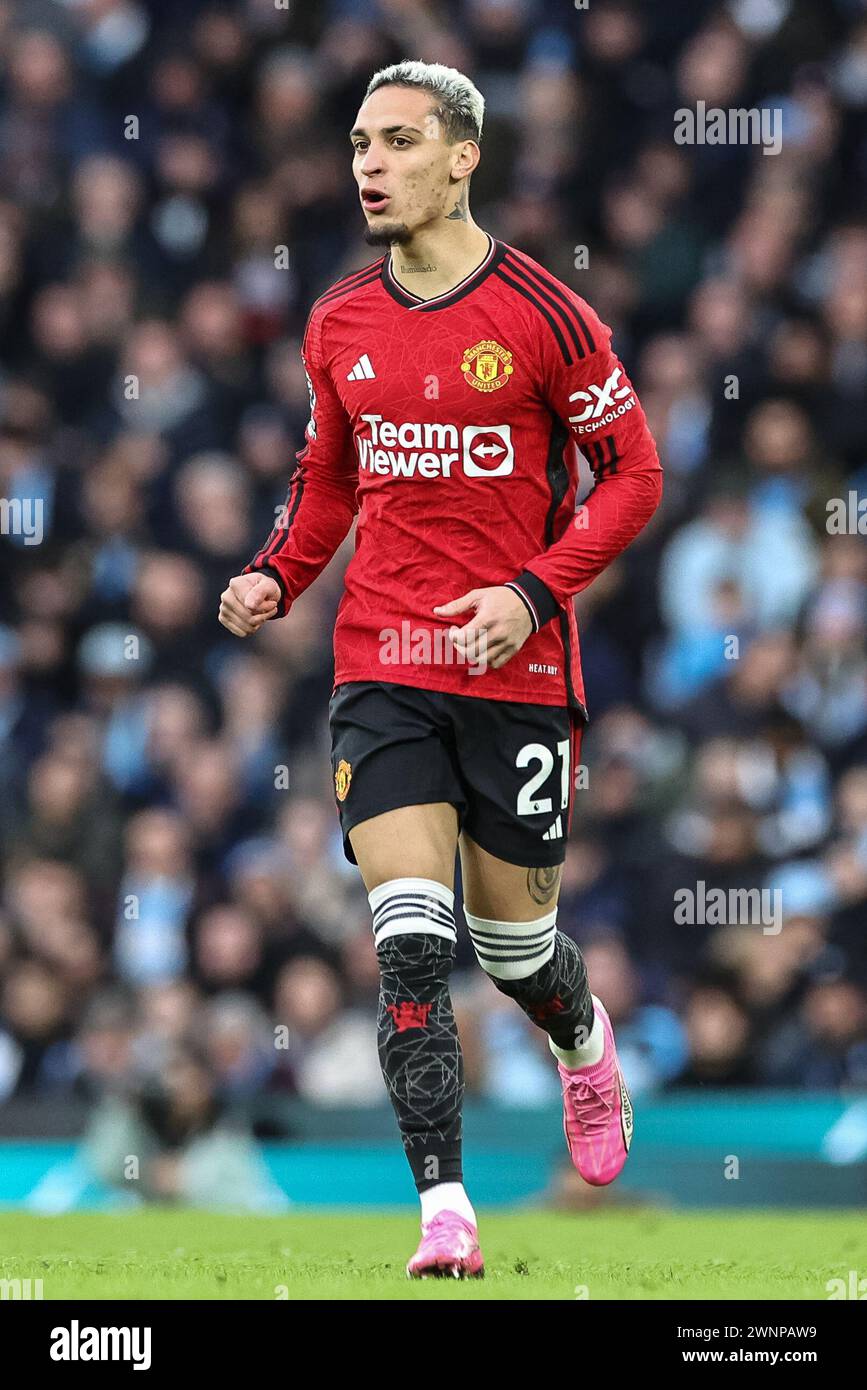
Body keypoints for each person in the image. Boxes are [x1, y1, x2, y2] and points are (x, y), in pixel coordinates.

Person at [219, 61, 661, 1278]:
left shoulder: (546, 313)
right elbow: (329, 480)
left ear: (464, 156)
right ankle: (446, 1209)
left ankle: (582, 1045)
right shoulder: (338, 322)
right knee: (412, 942)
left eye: (399, 141)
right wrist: (277, 574)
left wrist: (531, 595)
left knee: (516, 953)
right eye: (360, 142)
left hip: (516, 674)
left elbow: (635, 476)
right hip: (384, 666)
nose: (369, 163)